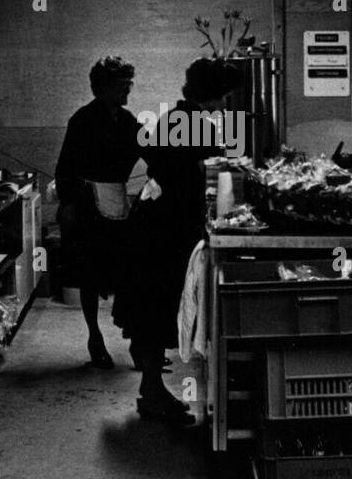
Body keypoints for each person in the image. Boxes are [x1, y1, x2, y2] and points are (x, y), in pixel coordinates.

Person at [114, 57, 242, 425]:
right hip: (163, 232)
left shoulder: (180, 117)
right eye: (223, 96)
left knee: (154, 314)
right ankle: (151, 394)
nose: (225, 104)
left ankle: (151, 391)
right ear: (211, 95)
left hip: (159, 225)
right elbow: (189, 179)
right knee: (156, 313)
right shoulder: (190, 122)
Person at [54, 56, 143, 369]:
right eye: (122, 86)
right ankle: (95, 337)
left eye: (129, 85)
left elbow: (150, 146)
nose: (127, 91)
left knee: (128, 273)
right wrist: (68, 206)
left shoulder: (128, 119)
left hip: (117, 197)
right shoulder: (82, 120)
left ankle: (138, 344)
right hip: (87, 203)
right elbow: (63, 168)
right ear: (103, 88)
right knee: (90, 275)